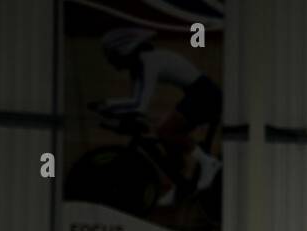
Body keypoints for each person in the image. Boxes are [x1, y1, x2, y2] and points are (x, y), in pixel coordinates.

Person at [94, 28, 223, 202]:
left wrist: (106, 105)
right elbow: (135, 102)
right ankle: (181, 185)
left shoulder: (149, 62)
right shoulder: (138, 65)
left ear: (124, 52)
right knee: (163, 133)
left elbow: (140, 105)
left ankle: (208, 162)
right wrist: (109, 108)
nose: (109, 62)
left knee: (165, 131)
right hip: (198, 94)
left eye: (111, 56)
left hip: (205, 95)